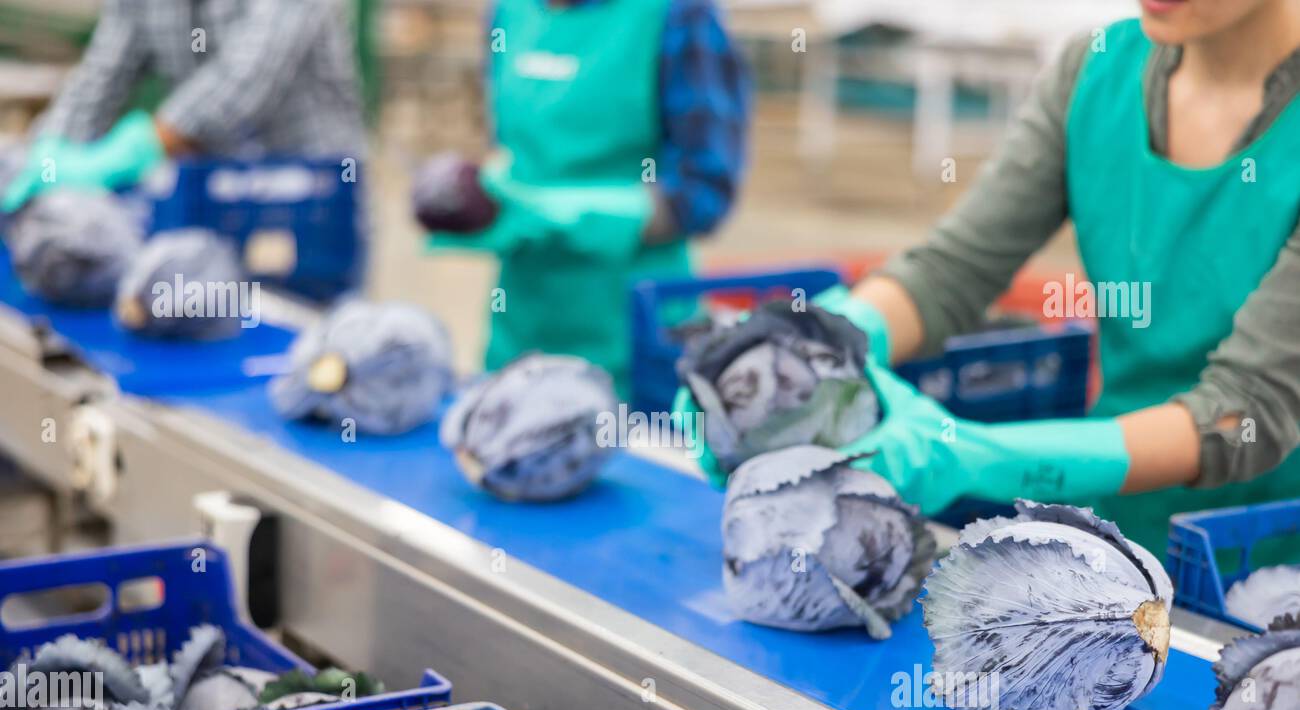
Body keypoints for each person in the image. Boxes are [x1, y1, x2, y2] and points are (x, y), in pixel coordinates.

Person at [692, 0, 1300, 557]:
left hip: (1269, 561)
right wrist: (804, 347)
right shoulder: (1096, 73)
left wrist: (978, 457)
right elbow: (954, 268)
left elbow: (1248, 409)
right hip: (1116, 531)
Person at [429, 0, 751, 398]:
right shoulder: (508, 12)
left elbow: (702, 193)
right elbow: (508, 148)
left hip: (631, 338)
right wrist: (473, 196)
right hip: (520, 329)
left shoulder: (679, 15)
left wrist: (567, 217)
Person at [2, 0, 366, 211]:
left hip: (312, 195)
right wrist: (50, 152)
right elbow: (101, 75)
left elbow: (247, 74)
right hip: (215, 195)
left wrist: (140, 145)